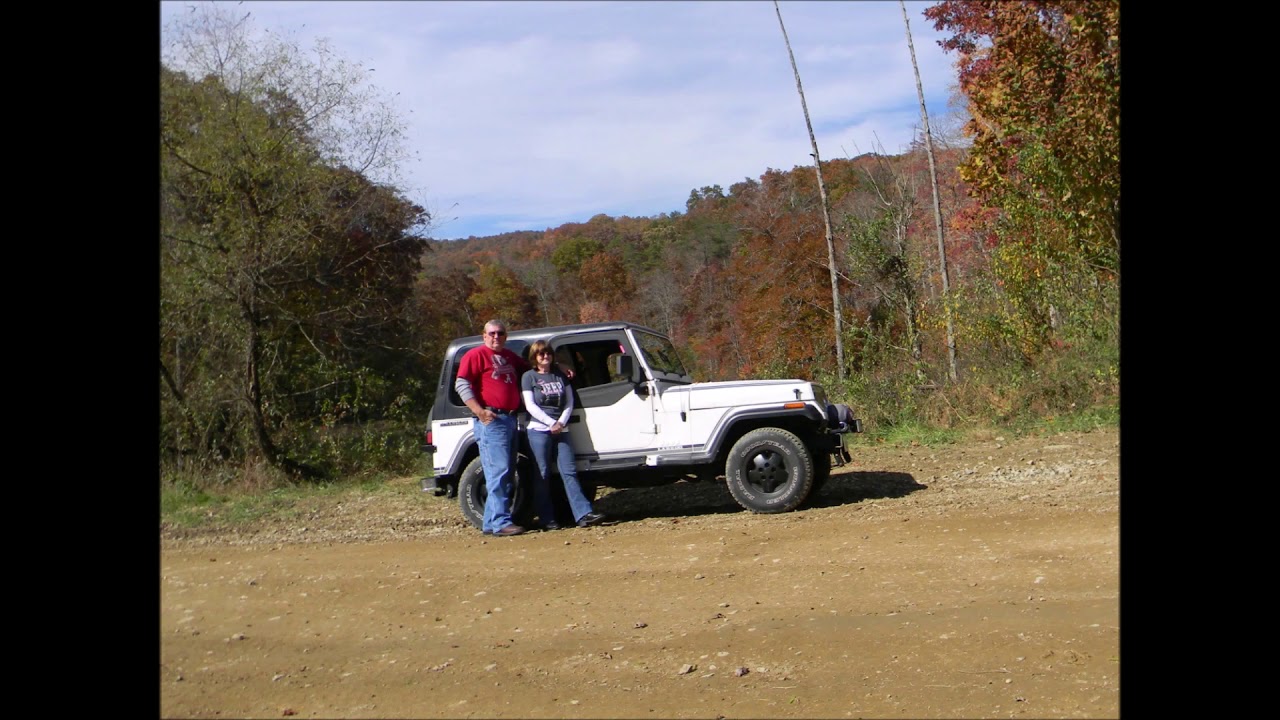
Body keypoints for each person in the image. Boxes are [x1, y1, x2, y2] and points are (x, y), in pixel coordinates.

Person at [454, 319, 532, 537]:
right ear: (484, 336)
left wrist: (559, 367)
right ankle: (500, 522)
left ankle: (490, 522)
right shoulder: (475, 355)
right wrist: (479, 411)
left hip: (510, 418)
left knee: (504, 472)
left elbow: (532, 368)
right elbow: (461, 383)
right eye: (492, 333)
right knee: (499, 471)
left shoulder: (509, 356)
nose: (496, 336)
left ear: (506, 336)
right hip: (492, 420)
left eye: (500, 333)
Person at [520, 339, 607, 530]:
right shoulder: (529, 377)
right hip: (538, 430)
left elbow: (569, 401)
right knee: (542, 473)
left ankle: (583, 514)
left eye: (548, 353)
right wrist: (550, 423)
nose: (545, 356)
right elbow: (530, 405)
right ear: (534, 357)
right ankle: (546, 518)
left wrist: (561, 422)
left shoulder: (559, 375)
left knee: (569, 471)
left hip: (562, 429)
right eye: (541, 353)